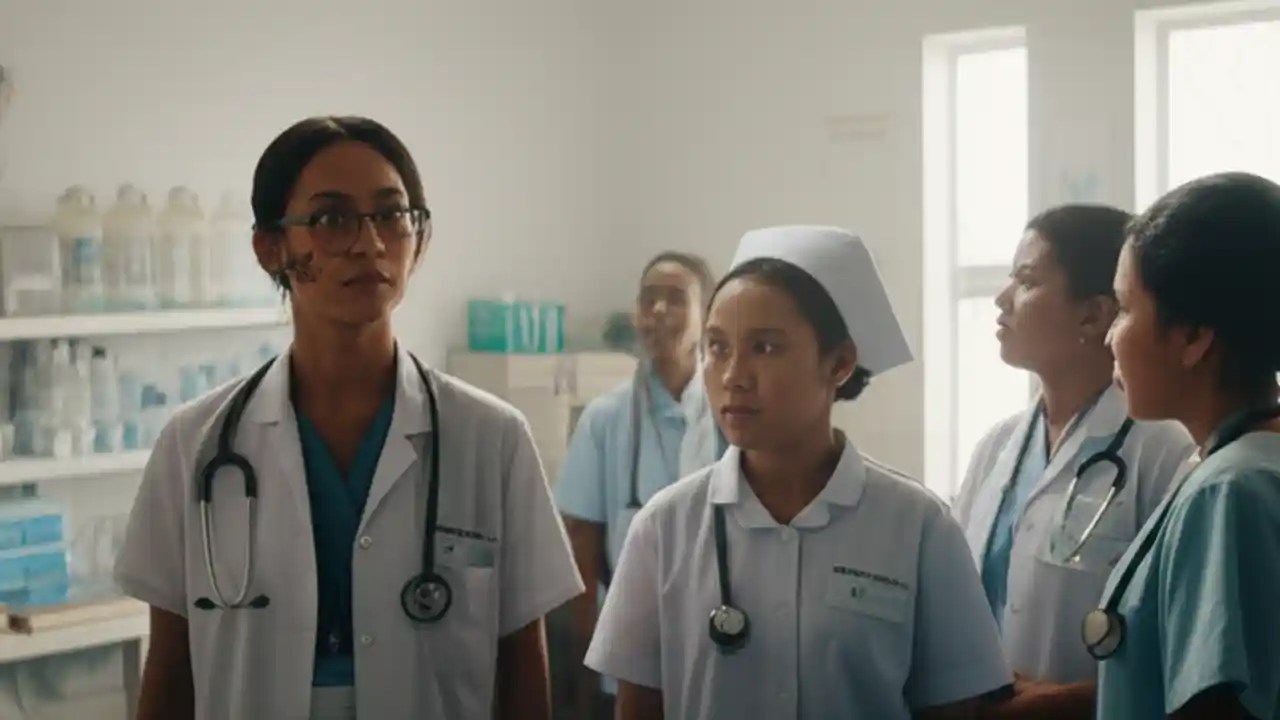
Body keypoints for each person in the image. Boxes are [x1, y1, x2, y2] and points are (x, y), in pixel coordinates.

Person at [114, 116, 584, 720]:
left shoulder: (492, 439)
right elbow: (172, 662)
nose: (370, 243)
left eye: (392, 215)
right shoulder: (196, 444)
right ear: (271, 248)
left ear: (421, 238)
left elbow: (522, 661)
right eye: (332, 219)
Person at [585, 226, 1012, 719]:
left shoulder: (919, 527)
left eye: (764, 348)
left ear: (840, 363)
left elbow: (954, 708)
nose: (733, 375)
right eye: (718, 347)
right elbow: (638, 706)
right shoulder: (664, 528)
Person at [952, 205, 1195, 695]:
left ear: (1094, 313)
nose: (1002, 300)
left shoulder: (1163, 449)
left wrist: (1061, 705)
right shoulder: (997, 448)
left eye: (1026, 281)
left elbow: (1181, 648)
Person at [1091, 171, 1280, 719]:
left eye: (1125, 308)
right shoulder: (1245, 463)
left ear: (1194, 336)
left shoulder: (1231, 490)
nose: (1111, 336)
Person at [554, 251, 725, 719]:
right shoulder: (606, 420)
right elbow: (581, 545)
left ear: (708, 315)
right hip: (628, 652)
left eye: (675, 299)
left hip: (724, 648)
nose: (659, 312)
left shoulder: (733, 417)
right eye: (648, 299)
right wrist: (589, 665)